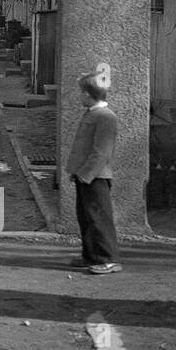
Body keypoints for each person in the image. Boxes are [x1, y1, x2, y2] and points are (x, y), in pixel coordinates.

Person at [67, 69, 121, 274]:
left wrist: (86, 174)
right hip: (85, 175)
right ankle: (91, 255)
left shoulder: (106, 117)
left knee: (99, 218)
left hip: (96, 176)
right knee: (86, 216)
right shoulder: (93, 113)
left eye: (81, 92)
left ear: (88, 94)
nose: (80, 96)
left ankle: (108, 258)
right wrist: (77, 171)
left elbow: (101, 152)